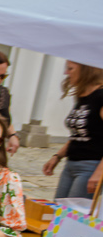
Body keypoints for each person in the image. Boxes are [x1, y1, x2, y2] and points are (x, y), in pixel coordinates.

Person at [41, 61, 103, 203]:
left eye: (70, 69)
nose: (66, 73)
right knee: (57, 211)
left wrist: (99, 172)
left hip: (90, 167)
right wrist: (57, 156)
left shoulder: (100, 96)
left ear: (86, 70)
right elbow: (79, 134)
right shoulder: (82, 97)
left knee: (73, 215)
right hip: (71, 164)